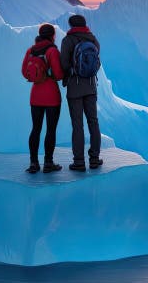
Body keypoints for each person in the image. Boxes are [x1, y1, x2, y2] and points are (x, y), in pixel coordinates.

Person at [60, 14, 103, 171]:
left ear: (71, 25)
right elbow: (97, 62)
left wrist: (70, 73)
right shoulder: (92, 39)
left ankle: (79, 161)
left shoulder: (68, 40)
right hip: (91, 87)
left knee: (77, 125)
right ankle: (94, 158)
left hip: (74, 89)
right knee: (93, 122)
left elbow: (64, 63)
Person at [21, 23, 65, 174]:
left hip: (35, 96)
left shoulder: (31, 51)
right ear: (52, 35)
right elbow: (59, 74)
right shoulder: (52, 51)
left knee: (36, 129)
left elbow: (24, 72)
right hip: (52, 96)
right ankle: (48, 163)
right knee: (50, 130)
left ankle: (33, 163)